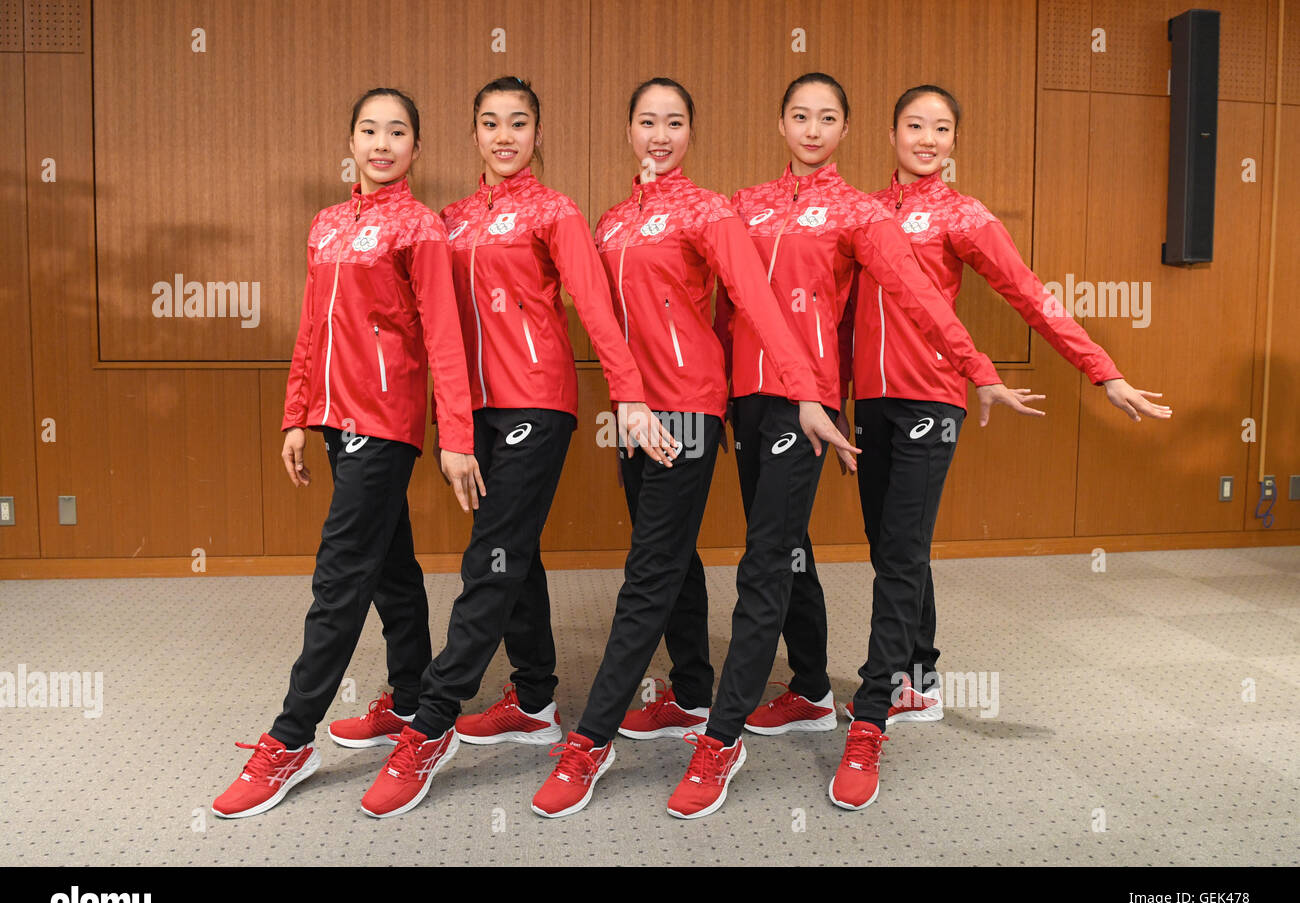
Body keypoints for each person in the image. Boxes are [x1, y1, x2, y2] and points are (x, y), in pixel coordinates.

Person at [666, 72, 1039, 818]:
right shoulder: (749, 204)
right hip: (781, 400)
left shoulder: (862, 212)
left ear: (846, 130)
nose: (811, 128)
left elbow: (935, 300)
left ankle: (853, 720)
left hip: (863, 402)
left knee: (824, 557)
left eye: (827, 117)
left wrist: (984, 370)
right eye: (799, 115)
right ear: (780, 123)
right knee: (804, 545)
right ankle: (811, 690)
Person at [829, 84, 1172, 811]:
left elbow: (1030, 295)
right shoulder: (862, 209)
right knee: (892, 545)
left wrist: (1102, 371)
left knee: (897, 549)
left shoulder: (964, 215)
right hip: (872, 401)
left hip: (932, 398)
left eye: (942, 129)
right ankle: (920, 675)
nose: (927, 138)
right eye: (915, 126)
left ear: (955, 142)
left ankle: (872, 713)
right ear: (890, 133)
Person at [529, 77, 856, 819]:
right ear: (629, 129)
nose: (660, 135)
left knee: (645, 572)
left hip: (689, 408)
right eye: (647, 121)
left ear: (690, 133)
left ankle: (593, 740)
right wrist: (627, 400)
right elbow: (605, 327)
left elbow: (758, 301)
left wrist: (807, 389)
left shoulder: (709, 210)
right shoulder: (611, 221)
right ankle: (691, 694)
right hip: (634, 413)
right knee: (668, 560)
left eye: (675, 122)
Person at [357, 77, 674, 818]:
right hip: (473, 414)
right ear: (473, 133)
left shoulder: (555, 211)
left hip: (537, 400)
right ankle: (534, 699)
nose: (504, 135)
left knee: (488, 559)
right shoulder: (451, 220)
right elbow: (429, 326)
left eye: (519, 123)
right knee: (512, 550)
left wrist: (628, 394)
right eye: (491, 123)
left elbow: (596, 309)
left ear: (537, 133)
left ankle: (431, 723)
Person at [212, 88, 481, 818]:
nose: (383, 143)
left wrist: (455, 433)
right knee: (390, 567)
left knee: (339, 580)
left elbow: (445, 337)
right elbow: (310, 325)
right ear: (352, 141)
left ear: (416, 149)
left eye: (398, 132)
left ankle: (290, 742)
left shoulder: (420, 228)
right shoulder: (327, 225)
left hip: (386, 420)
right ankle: (413, 696)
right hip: (334, 420)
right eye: (370, 130)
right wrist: (295, 414)